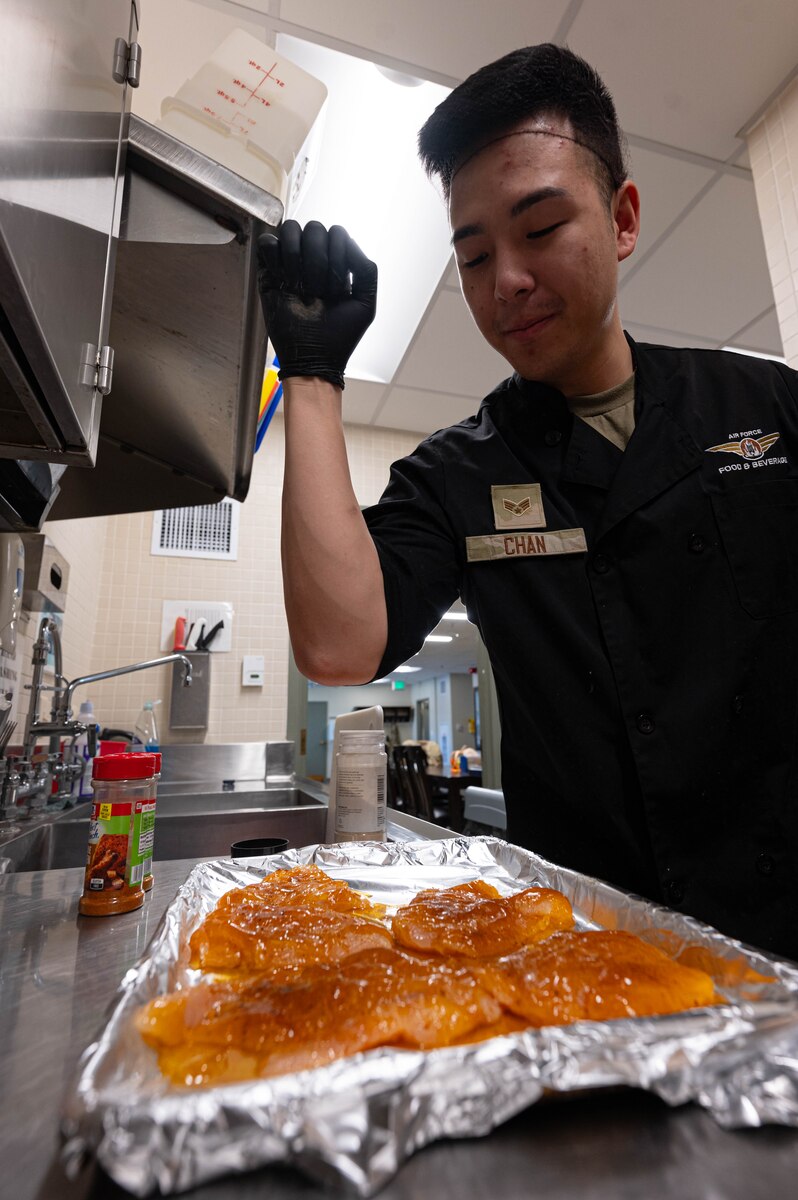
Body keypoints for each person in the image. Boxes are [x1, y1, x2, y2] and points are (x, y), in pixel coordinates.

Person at [258, 44, 798, 960]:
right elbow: (338, 645)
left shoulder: (767, 409)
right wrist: (310, 373)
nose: (504, 280)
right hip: (578, 959)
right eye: (473, 256)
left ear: (622, 219)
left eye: (540, 228)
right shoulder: (458, 471)